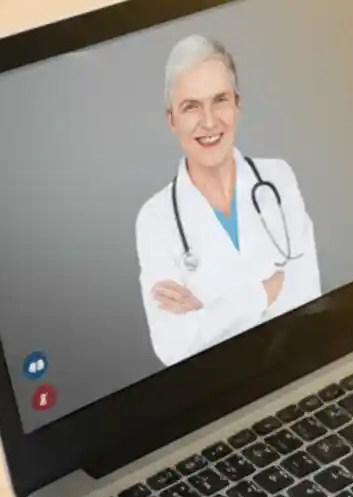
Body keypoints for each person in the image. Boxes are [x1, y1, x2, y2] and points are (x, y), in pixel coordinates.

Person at [135, 35, 320, 367]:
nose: (209, 121)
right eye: (191, 106)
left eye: (219, 100)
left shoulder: (278, 178)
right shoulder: (155, 219)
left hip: (299, 368)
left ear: (237, 105)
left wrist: (209, 308)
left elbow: (308, 296)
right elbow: (175, 346)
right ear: (171, 119)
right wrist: (266, 290)